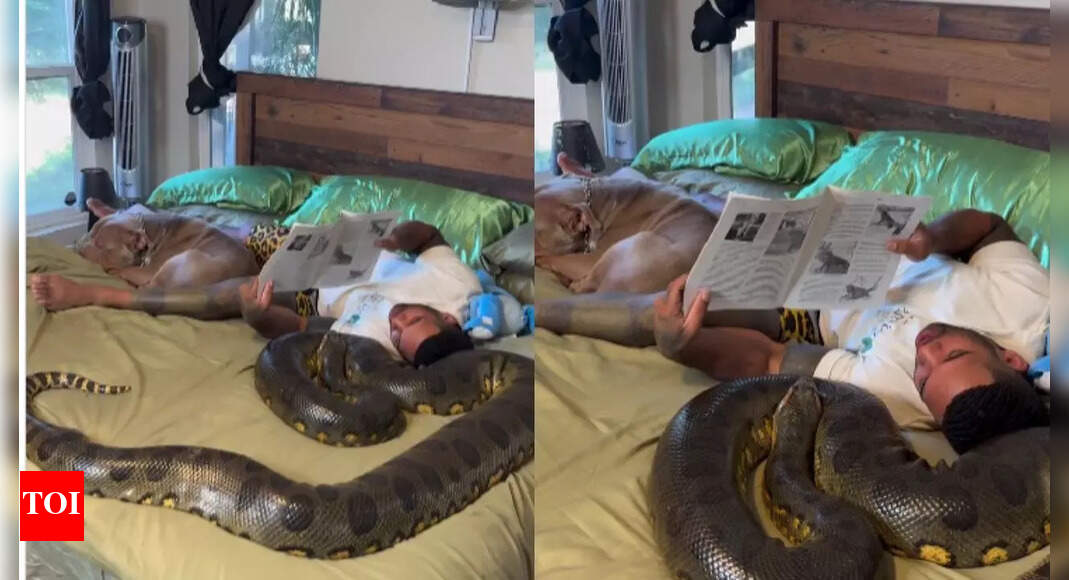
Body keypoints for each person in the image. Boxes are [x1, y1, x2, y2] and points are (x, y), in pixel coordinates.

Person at [541, 208, 1049, 452]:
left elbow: (768, 359)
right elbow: (989, 226)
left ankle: (535, 314)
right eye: (954, 354)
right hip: (864, 237)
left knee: (661, 313)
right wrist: (932, 237)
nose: (926, 349)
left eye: (923, 374)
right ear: (1011, 360)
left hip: (810, 309)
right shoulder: (1027, 307)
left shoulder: (891, 398)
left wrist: (682, 348)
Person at [31, 221, 480, 367]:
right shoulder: (457, 287)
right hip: (334, 248)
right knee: (248, 234)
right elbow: (430, 236)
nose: (396, 321)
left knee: (233, 293)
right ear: (448, 318)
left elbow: (301, 326)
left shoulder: (373, 347)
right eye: (412, 320)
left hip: (310, 293)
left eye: (399, 335)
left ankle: (98, 294)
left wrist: (257, 316)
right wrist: (402, 237)